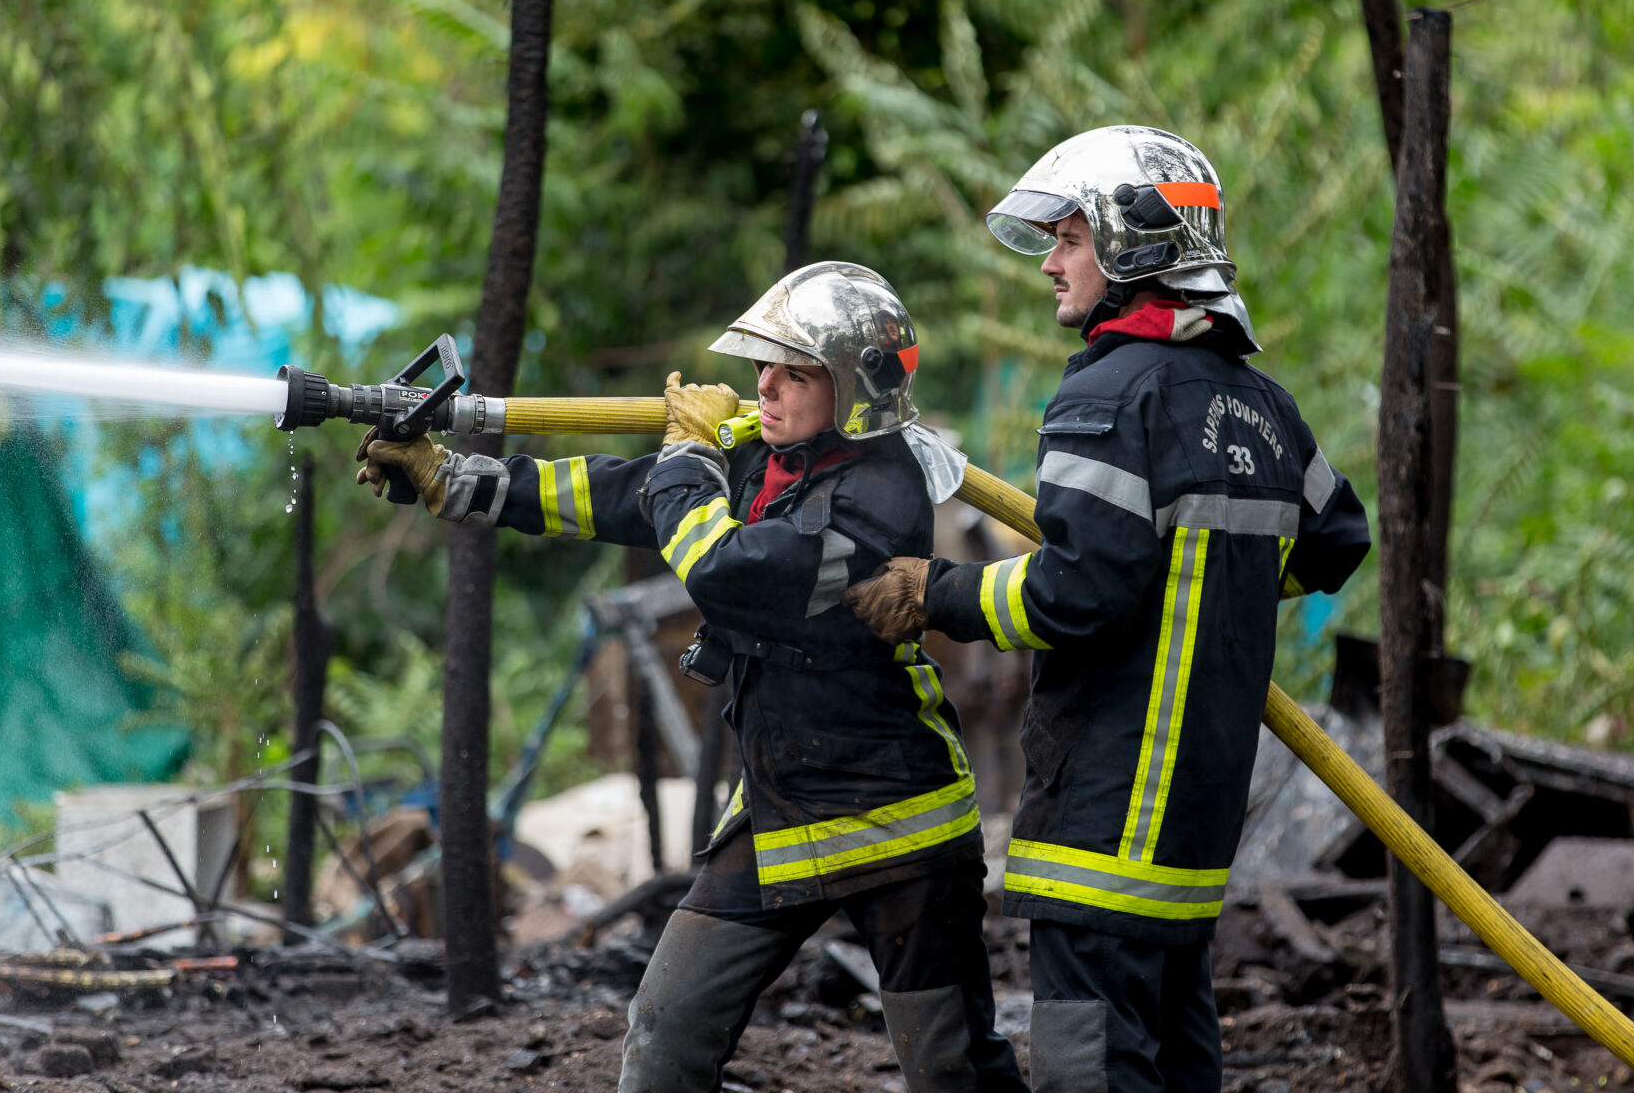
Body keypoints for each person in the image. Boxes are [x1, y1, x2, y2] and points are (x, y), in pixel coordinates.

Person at [356, 261, 1025, 1093]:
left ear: (855, 388)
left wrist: (689, 448)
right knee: (664, 1037)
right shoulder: (771, 457)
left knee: (953, 1069)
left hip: (901, 824)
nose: (765, 386)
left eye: (795, 371)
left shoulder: (882, 499)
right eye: (761, 367)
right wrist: (457, 480)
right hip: (780, 813)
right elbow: (625, 495)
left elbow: (723, 567)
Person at [844, 127, 1371, 1093]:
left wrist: (935, 593)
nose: (1050, 262)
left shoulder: (1105, 395)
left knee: (1095, 1071)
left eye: (1070, 238)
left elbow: (1076, 590)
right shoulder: (1263, 407)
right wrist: (1214, 599)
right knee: (1179, 1060)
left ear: (1135, 243)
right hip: (1197, 833)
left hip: (1106, 814)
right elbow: (1338, 537)